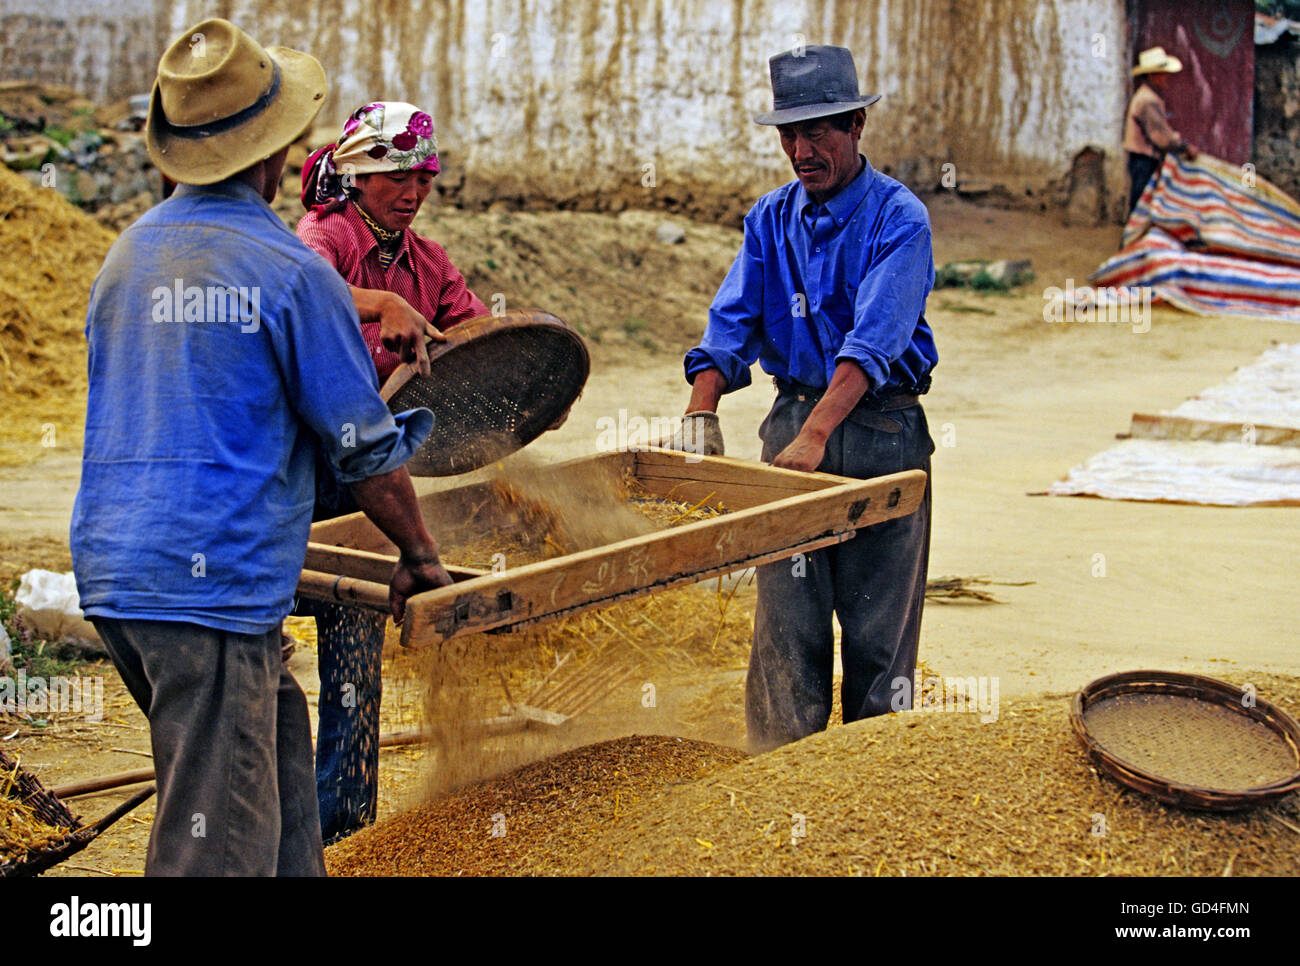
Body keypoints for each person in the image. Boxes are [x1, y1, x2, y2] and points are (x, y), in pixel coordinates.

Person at [70, 18, 453, 875]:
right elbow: (362, 445)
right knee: (215, 845)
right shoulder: (292, 270)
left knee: (276, 777)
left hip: (117, 574)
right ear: (276, 155)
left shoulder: (127, 257)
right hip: (207, 591)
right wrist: (420, 554)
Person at [676, 45, 937, 753]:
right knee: (787, 627)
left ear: (857, 125)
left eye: (819, 130)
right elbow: (733, 322)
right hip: (792, 422)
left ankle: (866, 784)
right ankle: (778, 784)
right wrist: (702, 409)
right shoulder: (769, 219)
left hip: (880, 431)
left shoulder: (899, 219)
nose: (802, 149)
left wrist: (818, 435)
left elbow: (873, 342)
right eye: (789, 135)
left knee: (878, 632)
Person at [293, 101, 489, 844]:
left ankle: (343, 830)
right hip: (310, 466)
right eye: (394, 177)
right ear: (358, 175)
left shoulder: (427, 259)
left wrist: (531, 380)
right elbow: (303, 298)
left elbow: (472, 331)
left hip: (372, 474)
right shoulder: (326, 237)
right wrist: (380, 302)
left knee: (355, 644)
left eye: (422, 178)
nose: (410, 192)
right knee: (274, 637)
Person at [1124, 46, 1198, 216]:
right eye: (1162, 73)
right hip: (1143, 159)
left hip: (1142, 158)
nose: (1166, 77)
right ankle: (1133, 240)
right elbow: (1160, 136)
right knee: (1140, 204)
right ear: (1152, 75)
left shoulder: (1148, 96)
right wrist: (1184, 147)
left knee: (1142, 201)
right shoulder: (1148, 100)